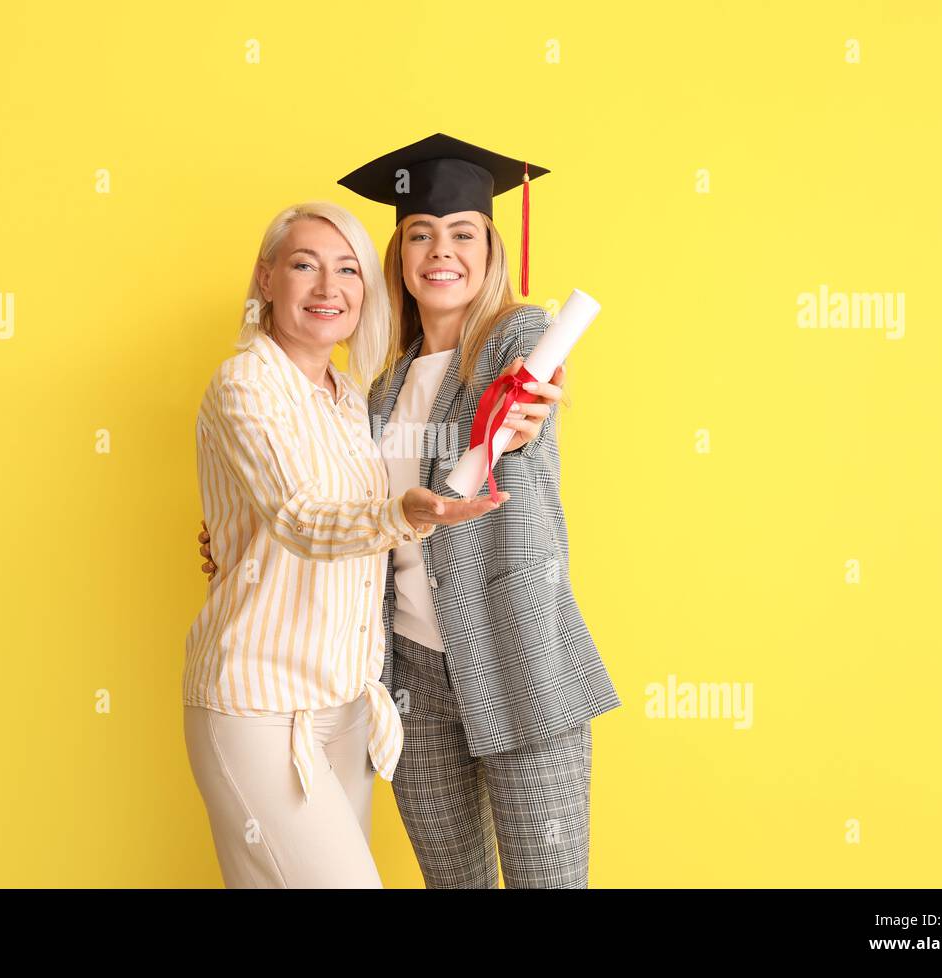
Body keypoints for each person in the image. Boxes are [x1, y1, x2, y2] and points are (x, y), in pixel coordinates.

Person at [182, 201, 513, 888]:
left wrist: (520, 412)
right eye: (305, 266)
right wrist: (403, 513)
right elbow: (303, 517)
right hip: (260, 704)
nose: (329, 289)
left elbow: (425, 450)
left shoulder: (349, 398)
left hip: (344, 705)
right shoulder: (245, 382)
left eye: (349, 271)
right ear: (266, 279)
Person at [339, 133, 622, 888]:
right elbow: (361, 518)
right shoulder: (381, 390)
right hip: (415, 679)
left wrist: (523, 421)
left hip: (517, 656)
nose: (442, 250)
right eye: (421, 235)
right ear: (400, 256)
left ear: (490, 248)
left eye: (463, 233)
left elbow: (525, 409)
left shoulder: (518, 339)